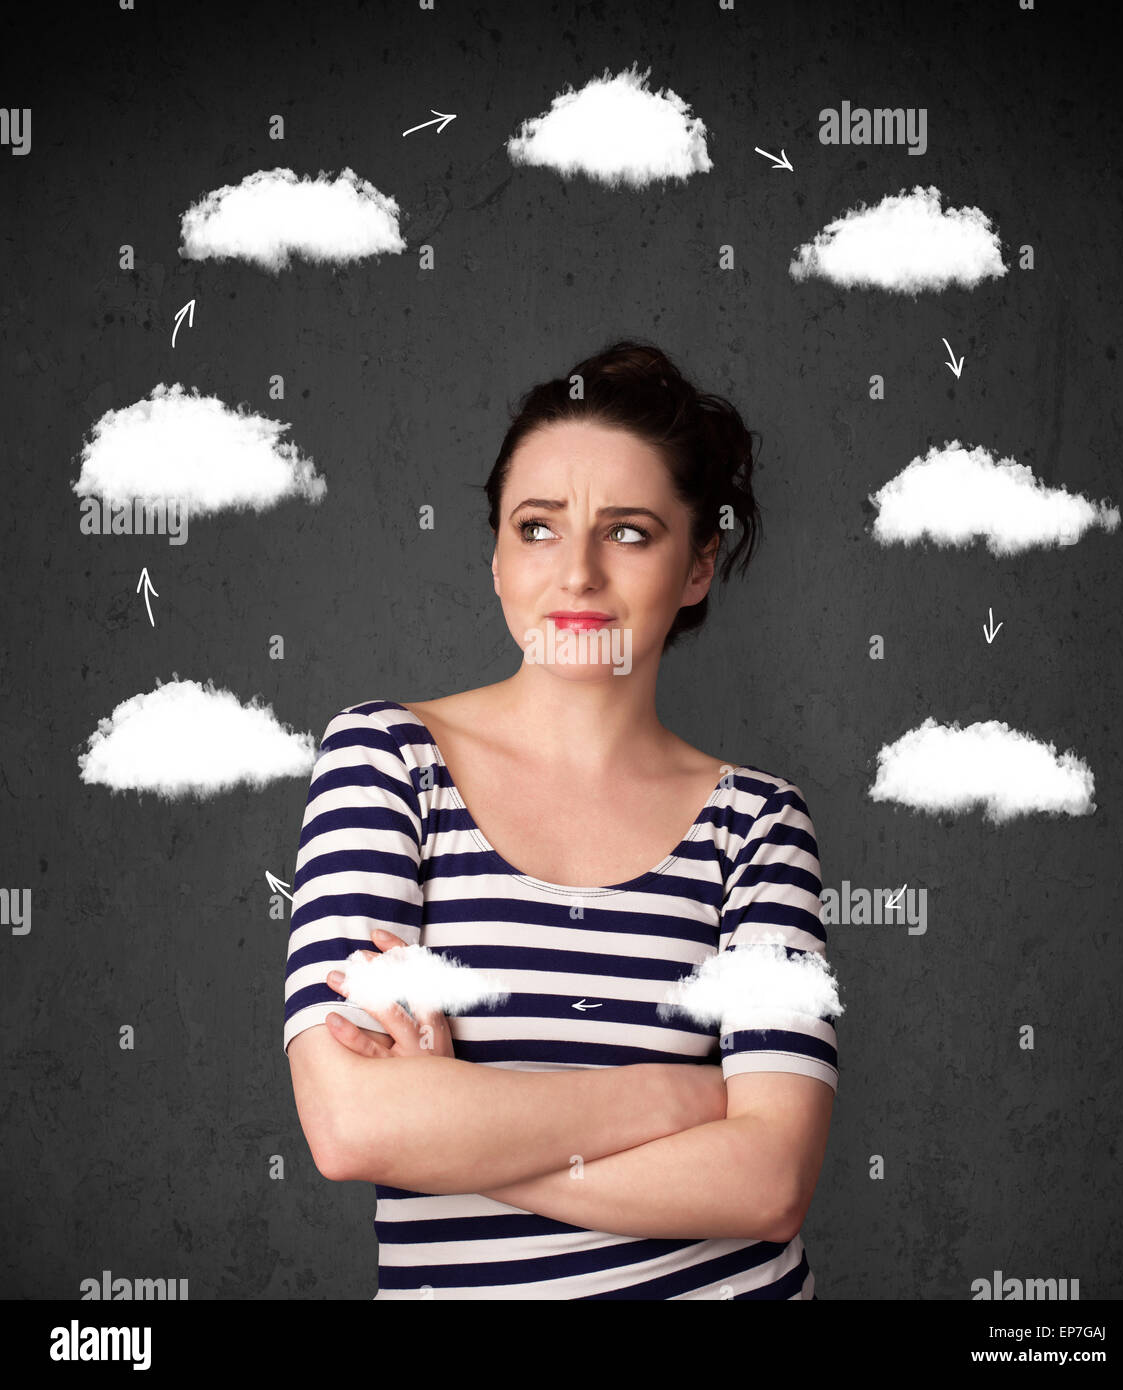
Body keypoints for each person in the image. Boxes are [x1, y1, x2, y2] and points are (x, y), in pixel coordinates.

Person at [284, 339, 838, 1298]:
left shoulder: (758, 825)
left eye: (628, 531)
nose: (576, 572)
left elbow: (769, 1182)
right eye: (537, 527)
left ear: (699, 565)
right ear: (497, 557)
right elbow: (354, 1129)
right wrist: (683, 1095)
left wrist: (459, 1134)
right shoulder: (384, 762)